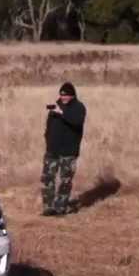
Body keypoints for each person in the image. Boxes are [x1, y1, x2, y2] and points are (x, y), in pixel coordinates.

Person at [41, 81, 86, 216]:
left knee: (65, 181)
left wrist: (62, 113)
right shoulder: (56, 107)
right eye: (61, 95)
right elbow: (48, 127)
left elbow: (77, 122)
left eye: (66, 96)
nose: (63, 98)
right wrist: (48, 139)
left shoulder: (78, 108)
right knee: (47, 178)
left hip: (68, 152)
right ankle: (48, 207)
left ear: (72, 96)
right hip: (52, 151)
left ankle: (61, 208)